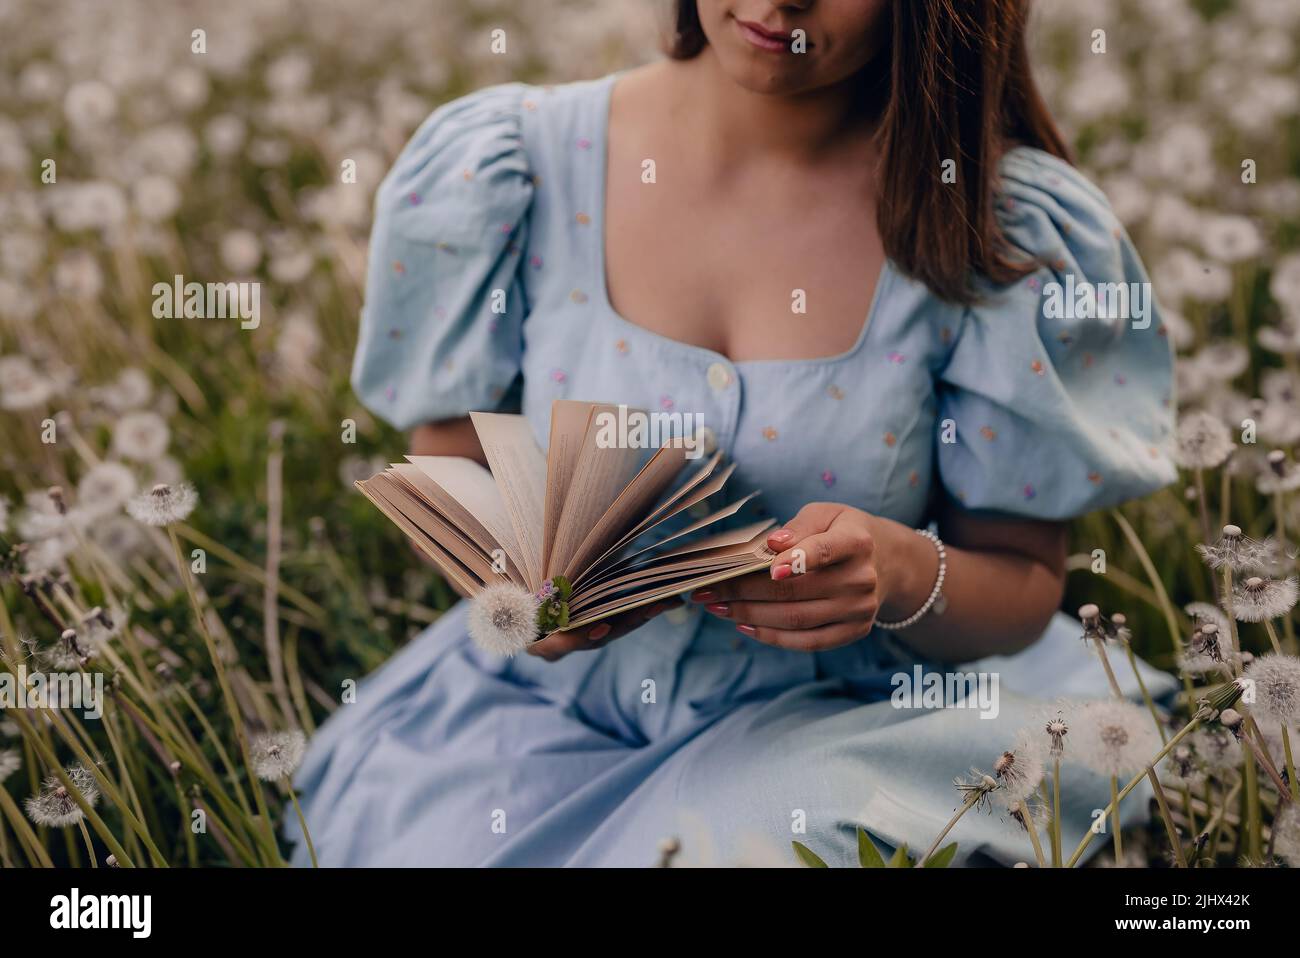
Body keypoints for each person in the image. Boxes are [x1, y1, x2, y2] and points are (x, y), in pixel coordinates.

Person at [291, 0, 1177, 867]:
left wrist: (901, 572)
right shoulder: (515, 162)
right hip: (546, 707)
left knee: (758, 840)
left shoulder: (991, 221)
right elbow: (448, 447)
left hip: (844, 721)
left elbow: (1023, 581)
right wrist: (515, 580)